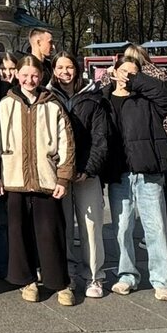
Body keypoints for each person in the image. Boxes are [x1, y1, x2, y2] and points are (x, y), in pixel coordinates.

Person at [0, 54, 75, 306]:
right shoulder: (5, 104)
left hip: (46, 178)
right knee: (19, 231)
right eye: (25, 74)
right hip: (15, 177)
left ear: (41, 77)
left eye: (34, 75)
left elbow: (66, 141)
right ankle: (27, 280)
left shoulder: (53, 105)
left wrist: (63, 177)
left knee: (50, 231)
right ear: (16, 75)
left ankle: (59, 281)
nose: (29, 79)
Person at [104, 55, 167, 301]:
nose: (127, 76)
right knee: (122, 228)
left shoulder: (148, 99)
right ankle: (127, 275)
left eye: (133, 73)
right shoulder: (105, 97)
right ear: (114, 72)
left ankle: (162, 280)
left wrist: (137, 81)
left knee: (155, 227)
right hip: (118, 172)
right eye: (123, 71)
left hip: (147, 170)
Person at [50, 52, 109, 297]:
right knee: (63, 226)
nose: (65, 72)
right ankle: (67, 272)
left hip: (86, 172)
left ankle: (94, 275)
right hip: (59, 173)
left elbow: (101, 138)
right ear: (53, 70)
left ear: (77, 69)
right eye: (60, 67)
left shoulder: (93, 98)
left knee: (91, 225)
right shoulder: (48, 97)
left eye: (69, 67)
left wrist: (89, 168)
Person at [0, 53, 19, 278]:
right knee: (0, 218)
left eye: (12, 68)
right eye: (3, 69)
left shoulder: (23, 92)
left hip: (20, 164)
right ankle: (3, 266)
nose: (8, 73)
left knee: (18, 218)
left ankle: (19, 264)